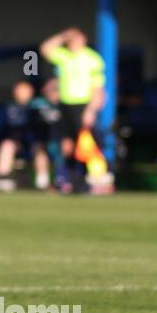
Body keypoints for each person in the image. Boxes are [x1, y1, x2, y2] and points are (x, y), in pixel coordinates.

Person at [39, 27, 106, 194]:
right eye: (71, 40)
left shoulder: (92, 59)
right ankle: (68, 180)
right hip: (65, 105)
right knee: (66, 145)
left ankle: (92, 180)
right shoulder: (64, 56)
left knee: (85, 145)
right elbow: (45, 49)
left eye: (76, 39)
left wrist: (91, 110)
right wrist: (62, 36)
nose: (73, 42)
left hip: (83, 105)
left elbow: (98, 88)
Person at [0, 79, 52, 191]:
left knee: (39, 147)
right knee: (7, 145)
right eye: (19, 90)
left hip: (34, 142)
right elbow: (8, 128)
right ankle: (3, 178)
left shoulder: (38, 106)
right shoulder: (11, 108)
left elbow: (46, 124)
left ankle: (42, 183)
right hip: (18, 143)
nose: (22, 93)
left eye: (25, 90)